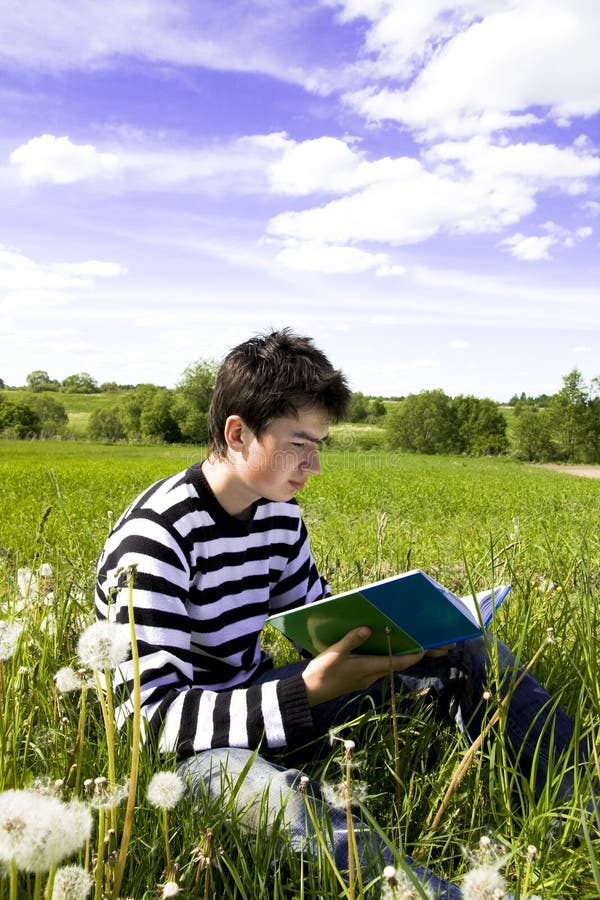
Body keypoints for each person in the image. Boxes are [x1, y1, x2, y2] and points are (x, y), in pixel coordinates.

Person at [96, 329, 589, 898]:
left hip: (272, 696)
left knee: (462, 643)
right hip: (191, 755)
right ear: (238, 433)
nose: (315, 466)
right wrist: (302, 693)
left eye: (319, 446)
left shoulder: (277, 516)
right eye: (300, 444)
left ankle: (584, 806)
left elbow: (312, 616)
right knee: (292, 812)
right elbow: (150, 719)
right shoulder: (155, 541)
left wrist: (400, 633)